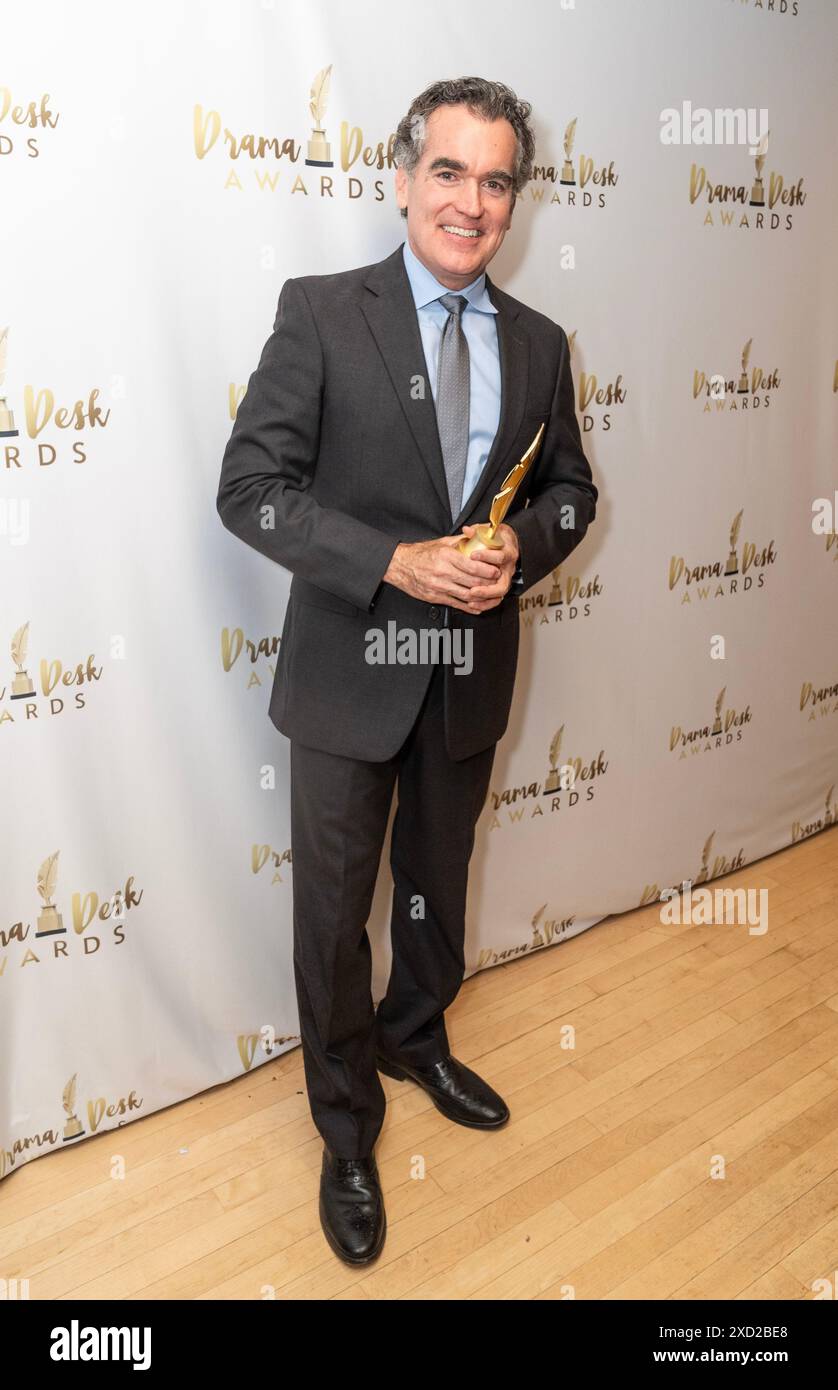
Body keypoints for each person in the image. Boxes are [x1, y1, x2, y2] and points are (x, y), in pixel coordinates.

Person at [216, 76, 598, 1265]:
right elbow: (252, 492)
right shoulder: (324, 312)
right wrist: (395, 560)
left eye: (496, 182)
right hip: (349, 668)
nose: (471, 202)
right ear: (402, 177)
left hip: (468, 670)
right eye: (449, 171)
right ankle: (346, 1122)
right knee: (335, 915)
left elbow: (572, 492)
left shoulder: (540, 345)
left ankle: (415, 1034)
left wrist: (515, 553)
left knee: (436, 877)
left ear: (513, 202)